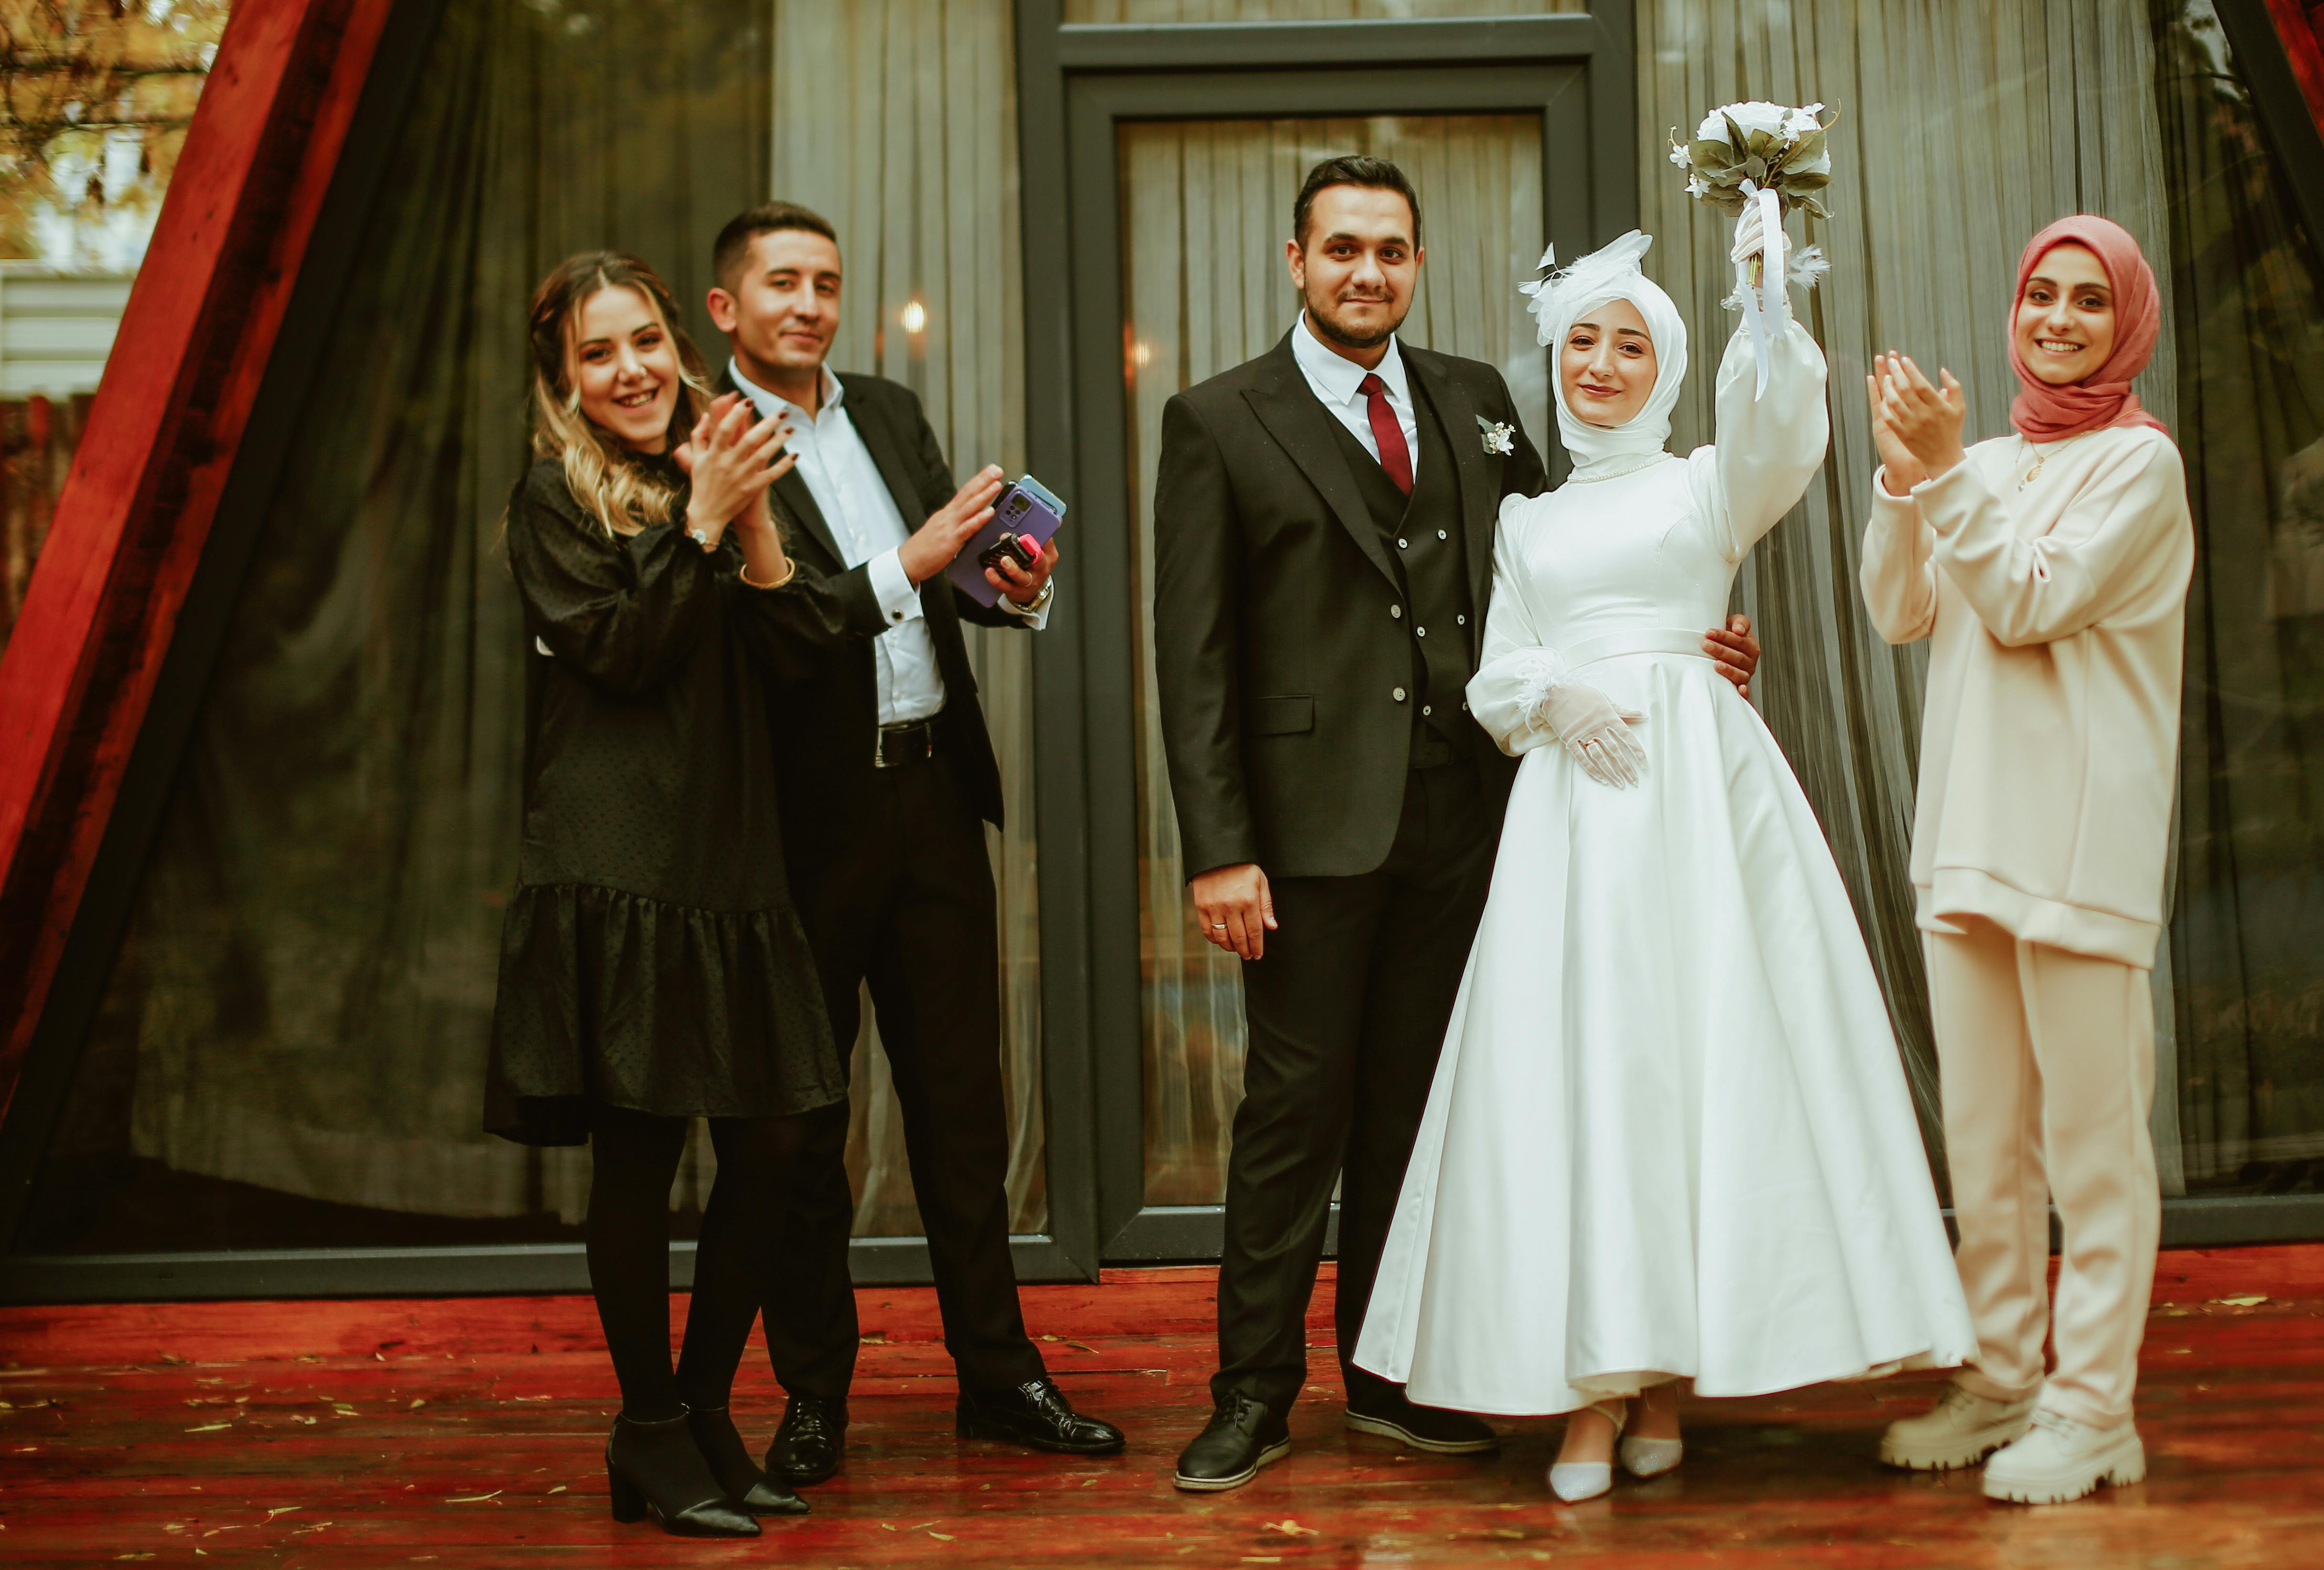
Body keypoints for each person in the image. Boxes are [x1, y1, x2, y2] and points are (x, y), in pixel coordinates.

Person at [1152, 157, 1764, 1492]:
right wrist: (1218, 846)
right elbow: (1192, 656)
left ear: (1417, 263)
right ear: (1297, 261)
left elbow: (1570, 561)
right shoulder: (1216, 421)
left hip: (1475, 821)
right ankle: (1252, 1391)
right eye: (1343, 249)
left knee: (1419, 1113)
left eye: (1392, 250)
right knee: (1293, 1116)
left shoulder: (1478, 402)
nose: (1368, 272)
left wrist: (1687, 640)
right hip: (1306, 838)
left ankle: (1390, 1381)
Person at [1352, 210, 1976, 1502]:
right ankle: (1602, 1391)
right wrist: (1554, 698)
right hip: (1577, 821)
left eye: (1628, 344)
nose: (1599, 364)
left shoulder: (1707, 483)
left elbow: (1780, 429)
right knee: (1596, 1079)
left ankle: (1666, 1377)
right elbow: (1496, 666)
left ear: (1667, 367)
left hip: (1697, 804)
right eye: (1580, 341)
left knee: (1698, 1070)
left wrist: (1763, 298)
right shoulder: (1524, 520)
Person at [712, 203, 1123, 1480]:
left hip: (935, 803)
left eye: (826, 282)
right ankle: (814, 1397)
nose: (810, 303)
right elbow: (773, 635)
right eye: (782, 282)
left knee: (963, 1110)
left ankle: (1000, 1379)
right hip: (800, 826)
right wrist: (912, 558)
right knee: (800, 1125)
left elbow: (940, 584)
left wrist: (1009, 588)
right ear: (725, 307)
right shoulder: (711, 446)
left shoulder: (885, 411)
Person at [486, 250, 855, 1538]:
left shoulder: (722, 465)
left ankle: (700, 1412)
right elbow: (629, 656)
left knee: (774, 1136)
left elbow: (804, 655)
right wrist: (700, 523)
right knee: (641, 1157)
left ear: (676, 346)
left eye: (643, 341)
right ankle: (646, 1426)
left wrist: (752, 527)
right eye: (600, 354)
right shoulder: (554, 500)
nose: (633, 369)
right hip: (624, 863)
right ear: (563, 382)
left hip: (733, 862)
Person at [1858, 215, 2192, 1506]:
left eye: (2087, 301)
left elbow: (2034, 598)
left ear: (2128, 325)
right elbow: (1906, 608)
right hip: (1969, 844)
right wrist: (1905, 480)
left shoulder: (2140, 469)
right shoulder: (1979, 458)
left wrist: (1945, 482)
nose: (2058, 317)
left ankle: (2096, 1410)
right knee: (1984, 1136)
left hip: (2080, 849)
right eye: (2040, 295)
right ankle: (2003, 1377)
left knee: (2095, 1151)